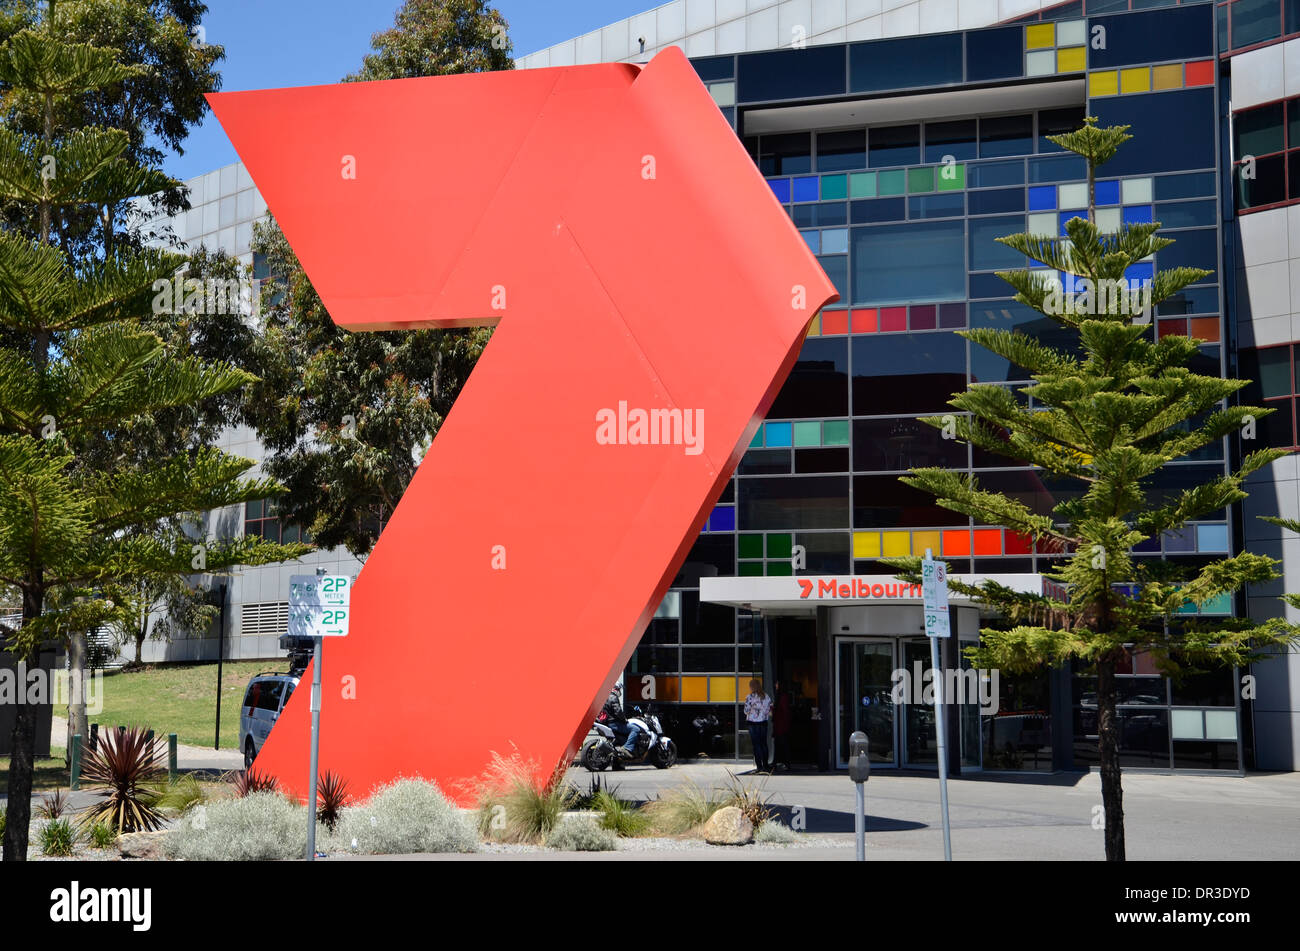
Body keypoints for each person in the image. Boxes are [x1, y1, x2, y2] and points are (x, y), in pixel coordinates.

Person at [601, 686, 640, 758]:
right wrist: (624, 720)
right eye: (619, 690)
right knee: (635, 729)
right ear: (616, 689)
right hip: (615, 723)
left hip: (607, 723)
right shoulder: (613, 697)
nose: (620, 692)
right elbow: (618, 711)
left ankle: (617, 765)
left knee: (618, 741)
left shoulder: (604, 697)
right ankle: (627, 748)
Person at [743, 678, 773, 773]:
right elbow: (769, 711)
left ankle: (759, 767)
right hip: (763, 723)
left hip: (752, 723)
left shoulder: (749, 697)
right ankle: (766, 765)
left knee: (756, 745)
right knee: (763, 744)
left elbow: (746, 711)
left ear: (752, 687)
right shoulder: (766, 696)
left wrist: (752, 709)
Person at [772, 680, 793, 771]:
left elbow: (785, 712)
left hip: (781, 725)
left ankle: (786, 763)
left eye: (777, 684)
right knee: (779, 744)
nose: (775, 685)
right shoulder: (779, 696)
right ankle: (777, 763)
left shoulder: (783, 697)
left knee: (783, 744)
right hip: (779, 724)